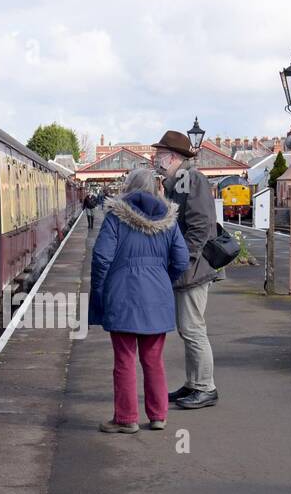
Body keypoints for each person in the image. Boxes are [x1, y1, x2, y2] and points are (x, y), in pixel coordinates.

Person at [90, 168, 189, 433]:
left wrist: (101, 289)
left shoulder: (115, 218)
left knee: (124, 360)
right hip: (157, 298)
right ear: (155, 188)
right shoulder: (169, 220)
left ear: (129, 187)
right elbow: (181, 259)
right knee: (153, 359)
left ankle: (126, 419)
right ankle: (158, 416)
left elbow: (101, 258)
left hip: (121, 296)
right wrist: (162, 280)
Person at [153, 131, 218, 409]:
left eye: (159, 155)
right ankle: (194, 384)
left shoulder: (192, 180)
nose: (155, 159)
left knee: (193, 329)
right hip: (188, 267)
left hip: (193, 268)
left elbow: (201, 225)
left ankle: (205, 387)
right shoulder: (178, 182)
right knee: (188, 329)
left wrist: (183, 259)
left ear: (173, 157)